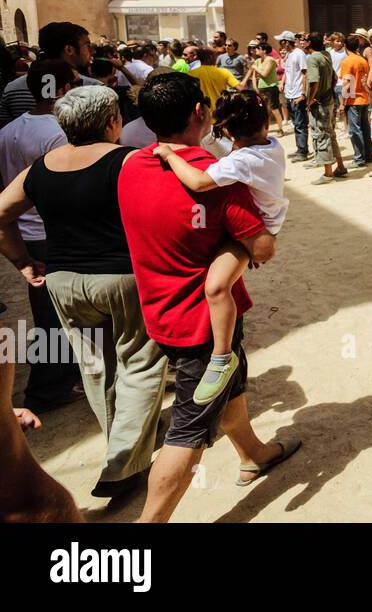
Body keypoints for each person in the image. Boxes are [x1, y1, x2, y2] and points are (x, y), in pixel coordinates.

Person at [120, 73, 299, 522]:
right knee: (187, 433)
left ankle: (253, 452)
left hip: (156, 309)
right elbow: (263, 248)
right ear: (199, 114)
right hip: (200, 321)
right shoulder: (221, 177)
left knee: (229, 375)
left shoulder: (130, 166)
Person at [0, 84, 168, 498]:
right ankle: (123, 465)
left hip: (64, 282)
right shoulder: (130, 160)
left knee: (97, 367)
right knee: (140, 366)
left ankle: (122, 446)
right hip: (124, 279)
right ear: (112, 121)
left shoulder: (42, 166)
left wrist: (22, 261)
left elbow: (1, 214)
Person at [152, 90, 287, 406]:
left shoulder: (244, 161)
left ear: (228, 131)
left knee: (215, 288)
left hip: (251, 236)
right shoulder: (271, 147)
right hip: (254, 228)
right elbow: (227, 152)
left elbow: (198, 182)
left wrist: (170, 155)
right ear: (265, 121)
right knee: (217, 286)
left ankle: (222, 356)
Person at [0, 61, 80, 411]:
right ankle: (46, 389)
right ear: (62, 89)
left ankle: (60, 379)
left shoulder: (9, 130)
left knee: (50, 312)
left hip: (25, 232)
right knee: (58, 316)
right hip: (51, 232)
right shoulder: (58, 133)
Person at [0, 21, 94, 127]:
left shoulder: (12, 88)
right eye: (87, 45)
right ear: (69, 49)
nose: (92, 51)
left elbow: (4, 132)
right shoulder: (93, 89)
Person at [304, 32, 346, 184]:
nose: (302, 43)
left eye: (304, 40)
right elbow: (335, 78)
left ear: (309, 43)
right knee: (330, 134)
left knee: (321, 135)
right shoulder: (325, 55)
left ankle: (328, 173)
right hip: (328, 100)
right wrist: (328, 91)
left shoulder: (313, 58)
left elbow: (314, 81)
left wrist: (310, 100)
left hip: (320, 103)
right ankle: (340, 166)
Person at [339, 35, 372, 168]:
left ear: (345, 46)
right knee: (365, 128)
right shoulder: (362, 60)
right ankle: (369, 155)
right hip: (364, 98)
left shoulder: (347, 61)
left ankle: (359, 158)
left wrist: (343, 103)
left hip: (353, 100)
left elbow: (347, 84)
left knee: (355, 130)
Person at [278, 33, 309, 160]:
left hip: (297, 94)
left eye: (281, 41)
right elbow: (288, 72)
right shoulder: (290, 55)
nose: (280, 44)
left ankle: (303, 152)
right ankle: (300, 149)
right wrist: (283, 83)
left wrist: (303, 93)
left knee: (300, 124)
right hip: (290, 94)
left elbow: (305, 74)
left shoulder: (299, 54)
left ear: (286, 42)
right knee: (296, 124)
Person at [248, 42, 287, 135]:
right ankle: (264, 130)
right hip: (261, 88)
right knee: (264, 110)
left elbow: (264, 74)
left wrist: (255, 68)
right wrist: (255, 87)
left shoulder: (270, 60)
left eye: (258, 48)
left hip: (271, 88)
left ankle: (280, 129)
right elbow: (254, 76)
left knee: (274, 109)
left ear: (264, 50)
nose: (255, 50)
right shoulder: (257, 61)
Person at [189, 46, 239, 113]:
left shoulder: (190, 74)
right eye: (216, 56)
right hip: (220, 114)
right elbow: (241, 88)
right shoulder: (224, 72)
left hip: (201, 115)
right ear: (211, 57)